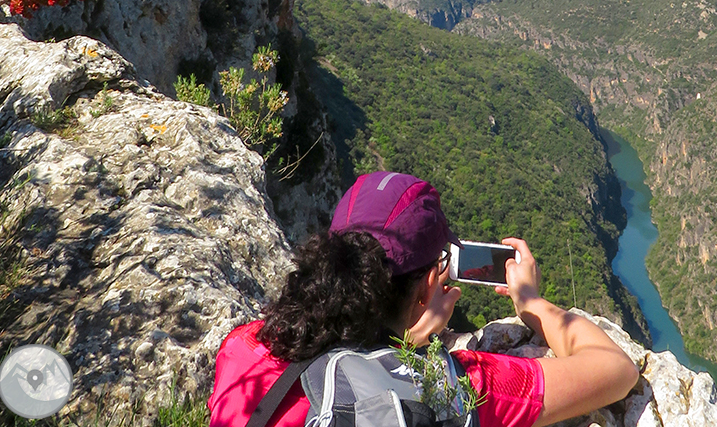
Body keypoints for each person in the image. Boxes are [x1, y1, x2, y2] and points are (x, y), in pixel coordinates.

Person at [208, 171, 639, 427]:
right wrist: (531, 303)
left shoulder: (243, 347)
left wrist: (404, 337)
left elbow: (334, 363)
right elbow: (615, 370)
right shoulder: (450, 387)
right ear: (428, 285)